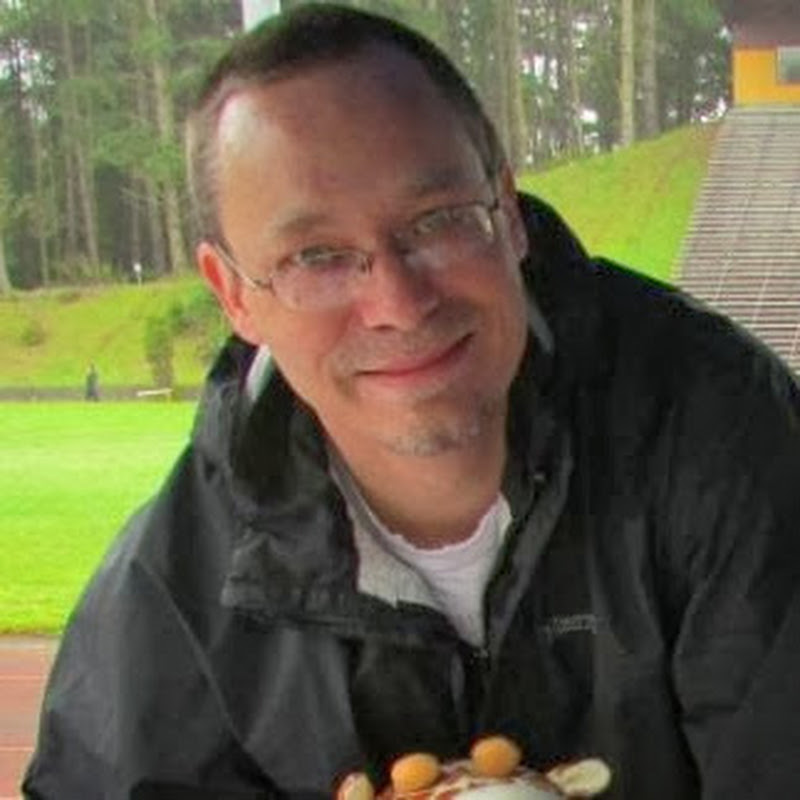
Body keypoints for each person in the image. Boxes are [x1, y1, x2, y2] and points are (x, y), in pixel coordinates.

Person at [23, 5, 800, 799]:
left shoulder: (723, 439)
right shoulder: (178, 588)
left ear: (507, 211)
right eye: (316, 257)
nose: (397, 301)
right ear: (234, 294)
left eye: (437, 222)